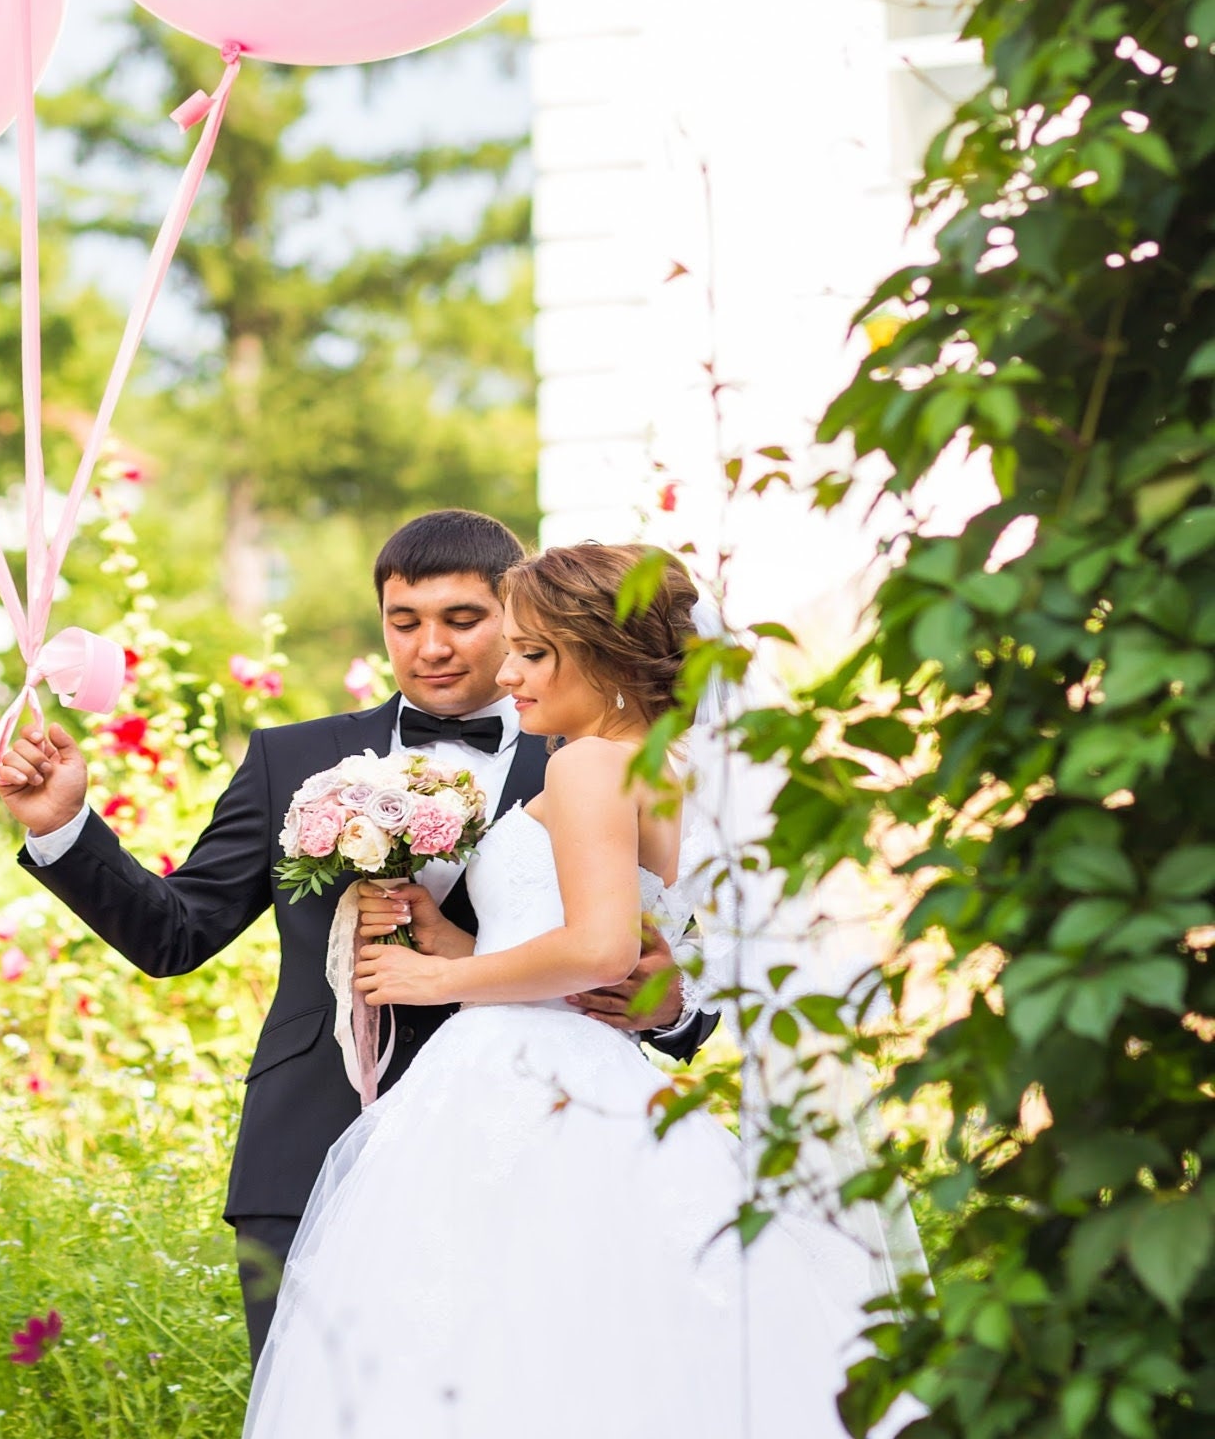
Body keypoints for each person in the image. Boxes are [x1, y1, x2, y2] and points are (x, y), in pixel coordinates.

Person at [0, 510, 717, 1358]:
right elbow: (174, 936)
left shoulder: (595, 755)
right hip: (311, 1146)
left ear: (524, 617)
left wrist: (661, 1007)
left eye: (464, 621)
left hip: (536, 1149)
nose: (430, 648)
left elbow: (671, 967)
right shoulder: (290, 758)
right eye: (404, 622)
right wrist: (65, 829)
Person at [242, 541, 902, 1439]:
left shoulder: (587, 764)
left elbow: (597, 947)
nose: (508, 674)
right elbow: (600, 930)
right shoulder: (667, 767)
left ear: (608, 651)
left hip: (520, 1079)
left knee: (477, 1351)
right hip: (596, 1071)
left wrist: (440, 974)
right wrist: (470, 939)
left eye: (535, 652)